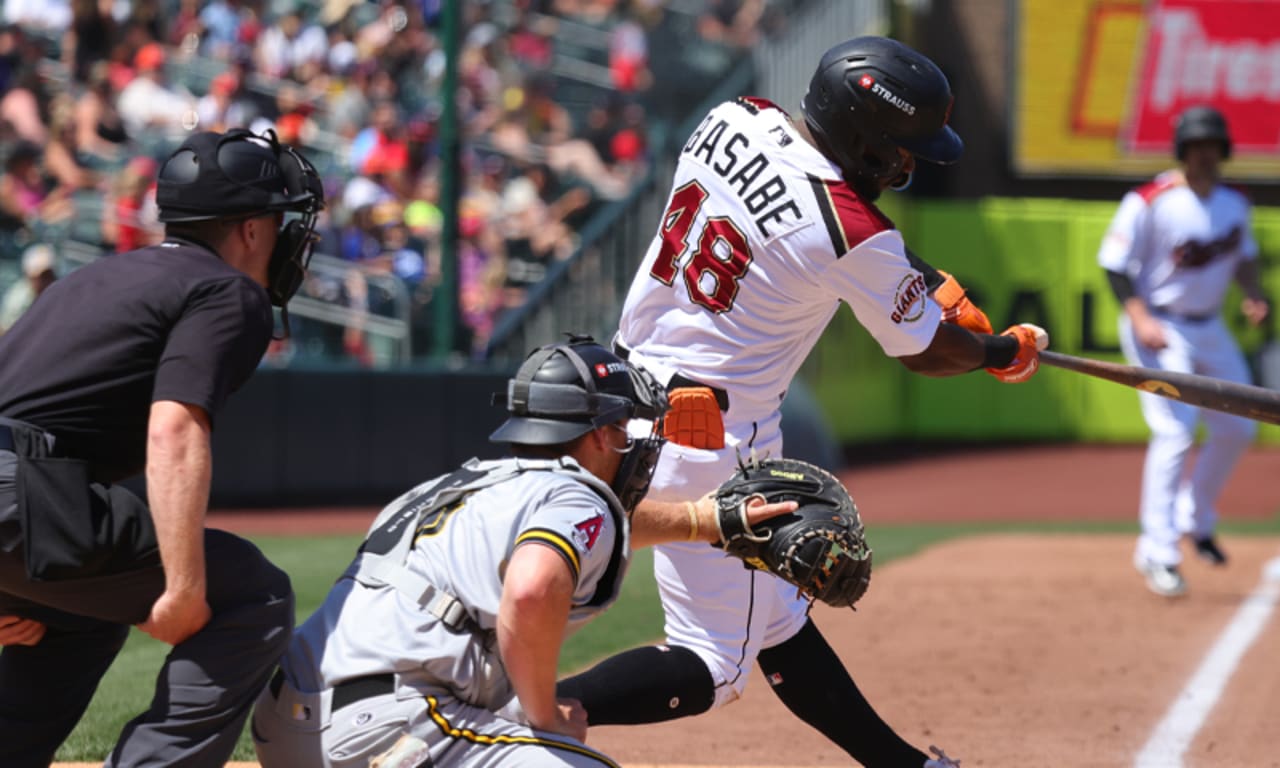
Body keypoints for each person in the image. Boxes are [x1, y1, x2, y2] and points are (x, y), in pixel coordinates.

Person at [554, 36, 1047, 768]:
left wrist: (934, 285)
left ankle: (902, 764)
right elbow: (926, 350)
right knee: (716, 666)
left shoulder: (733, 117)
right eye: (901, 148)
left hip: (616, 402)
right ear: (864, 136)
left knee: (777, 614)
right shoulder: (854, 233)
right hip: (712, 445)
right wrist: (1001, 352)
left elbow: (828, 212)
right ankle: (551, 709)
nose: (908, 164)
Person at [250, 337, 796, 768]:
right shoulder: (578, 495)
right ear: (599, 436)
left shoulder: (465, 485)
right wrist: (542, 715)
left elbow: (570, 538)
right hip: (387, 732)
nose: (632, 442)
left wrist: (705, 520)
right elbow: (533, 587)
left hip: (287, 726)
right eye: (623, 427)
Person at [0, 127, 325, 767]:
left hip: (21, 497)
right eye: (280, 219)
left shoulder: (95, 278)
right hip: (22, 498)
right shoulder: (228, 289)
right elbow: (174, 427)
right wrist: (182, 588)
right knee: (254, 596)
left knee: (79, 617)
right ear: (252, 229)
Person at [1094, 105, 1269, 598]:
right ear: (1183, 152)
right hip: (1159, 324)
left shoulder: (1235, 203)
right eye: (1196, 147)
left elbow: (1246, 258)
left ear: (1224, 152)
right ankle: (1158, 551)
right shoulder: (1151, 199)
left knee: (1239, 425)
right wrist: (1140, 317)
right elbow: (1114, 264)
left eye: (1212, 147)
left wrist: (1253, 293)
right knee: (1175, 431)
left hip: (1209, 326)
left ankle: (1197, 518)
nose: (1205, 156)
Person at [0, 241, 56, 333]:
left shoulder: (56, 292)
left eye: (49, 275)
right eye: (41, 276)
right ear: (30, 276)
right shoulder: (18, 299)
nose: (46, 280)